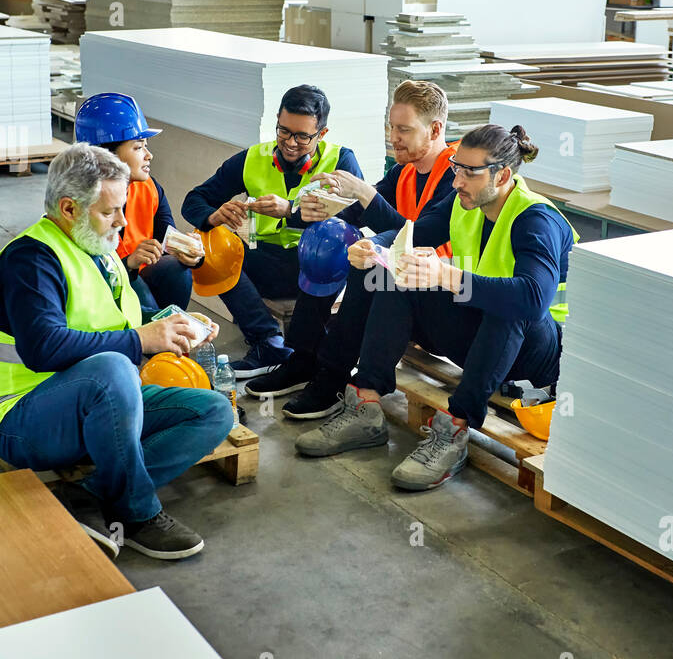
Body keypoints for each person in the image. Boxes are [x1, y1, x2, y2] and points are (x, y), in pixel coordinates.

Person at [0, 143, 234, 561]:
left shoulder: (98, 248)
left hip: (96, 406)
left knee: (215, 411)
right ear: (69, 208)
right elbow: (43, 348)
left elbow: (121, 316)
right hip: (22, 419)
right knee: (113, 368)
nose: (123, 222)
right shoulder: (30, 259)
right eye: (110, 211)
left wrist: (173, 322)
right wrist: (143, 340)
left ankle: (89, 495)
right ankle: (137, 511)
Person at [295, 123, 577, 492]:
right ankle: (365, 403)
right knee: (396, 273)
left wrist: (446, 275)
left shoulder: (536, 220)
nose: (457, 180)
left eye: (469, 172)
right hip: (481, 339)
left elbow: (533, 299)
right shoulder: (466, 199)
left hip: (534, 358)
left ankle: (455, 427)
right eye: (456, 168)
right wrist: (374, 247)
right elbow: (412, 234)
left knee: (510, 309)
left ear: (503, 174)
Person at [247, 80, 458, 417]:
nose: (393, 137)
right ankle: (303, 359)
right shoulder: (404, 170)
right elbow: (360, 210)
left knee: (370, 260)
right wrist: (319, 209)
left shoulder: (457, 175)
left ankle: (332, 376)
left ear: (435, 129)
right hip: (406, 279)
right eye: (391, 127)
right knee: (327, 238)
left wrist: (361, 191)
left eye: (404, 129)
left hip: (439, 292)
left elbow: (418, 234)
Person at [181, 84, 367, 378]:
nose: (291, 143)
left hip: (316, 267)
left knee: (333, 236)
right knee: (205, 241)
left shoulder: (341, 161)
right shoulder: (252, 158)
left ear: (322, 134)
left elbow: (354, 218)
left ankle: (305, 351)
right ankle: (267, 341)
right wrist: (213, 215)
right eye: (283, 131)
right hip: (263, 262)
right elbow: (194, 200)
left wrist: (291, 210)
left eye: (303, 136)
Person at [75, 92, 200, 319]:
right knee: (137, 294)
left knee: (175, 269)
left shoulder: (149, 188)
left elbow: (168, 241)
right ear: (106, 154)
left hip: (132, 275)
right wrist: (130, 264)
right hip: (97, 293)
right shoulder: (80, 204)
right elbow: (87, 278)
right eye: (138, 147)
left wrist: (190, 251)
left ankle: (163, 339)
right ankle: (156, 337)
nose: (149, 155)